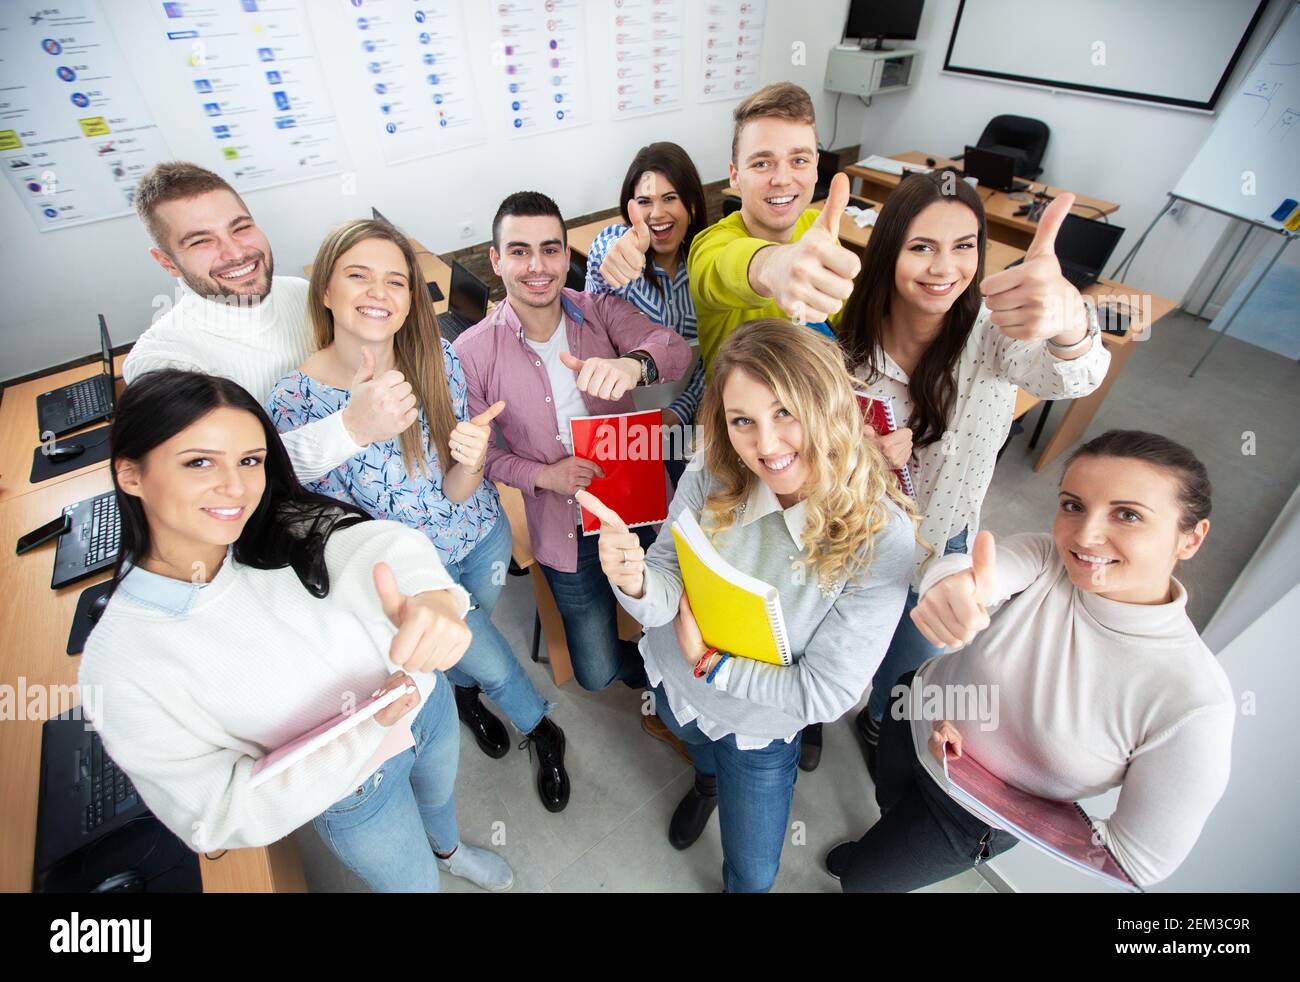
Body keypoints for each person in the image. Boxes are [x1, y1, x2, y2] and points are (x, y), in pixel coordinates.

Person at [78, 370, 514, 892]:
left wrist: (432, 596)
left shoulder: (276, 525)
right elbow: (215, 812)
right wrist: (365, 731)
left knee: (440, 801)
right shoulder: (121, 664)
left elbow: (377, 545)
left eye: (249, 461)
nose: (236, 487)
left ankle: (450, 849)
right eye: (199, 462)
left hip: (427, 706)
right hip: (353, 789)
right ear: (130, 475)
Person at [580, 319, 917, 892]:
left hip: (758, 724)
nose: (766, 445)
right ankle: (706, 783)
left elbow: (825, 693)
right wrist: (633, 577)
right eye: (743, 421)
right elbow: (665, 583)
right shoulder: (714, 465)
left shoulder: (883, 536)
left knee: (754, 872)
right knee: (693, 745)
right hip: (676, 681)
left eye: (785, 412)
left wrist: (712, 664)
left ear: (828, 402)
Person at [826, 430, 1234, 891]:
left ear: (1191, 538)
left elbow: (1136, 860)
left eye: (1128, 515)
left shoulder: (1193, 704)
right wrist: (950, 584)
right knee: (891, 807)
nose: (1085, 535)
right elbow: (973, 573)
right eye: (1073, 505)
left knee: (865, 881)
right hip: (911, 713)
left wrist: (980, 782)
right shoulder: (1048, 557)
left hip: (967, 815)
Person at [266, 218, 570, 813]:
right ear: (325, 291)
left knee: (468, 636)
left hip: (477, 536)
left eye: (395, 282)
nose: (378, 293)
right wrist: (352, 426)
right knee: (485, 656)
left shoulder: (437, 361)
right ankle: (540, 724)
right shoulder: (291, 403)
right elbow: (286, 507)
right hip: (408, 577)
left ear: (411, 298)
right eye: (358, 276)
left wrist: (474, 461)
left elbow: (457, 490)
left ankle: (483, 704)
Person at [838, 169, 1111, 775]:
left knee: (907, 670)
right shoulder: (849, 333)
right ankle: (814, 719)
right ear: (889, 251)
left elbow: (1073, 376)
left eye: (964, 247)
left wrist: (1069, 321)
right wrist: (853, 453)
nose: (945, 269)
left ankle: (879, 721)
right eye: (923, 247)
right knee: (833, 644)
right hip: (856, 534)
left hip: (943, 542)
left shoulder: (993, 331)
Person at [452, 191, 692, 694]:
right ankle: (649, 673)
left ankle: (677, 685)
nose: (537, 266)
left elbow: (673, 351)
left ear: (567, 255)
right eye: (519, 251)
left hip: (636, 497)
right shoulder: (471, 352)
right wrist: (543, 475)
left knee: (676, 614)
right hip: (562, 518)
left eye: (550, 249)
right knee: (596, 670)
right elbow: (482, 455)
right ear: (495, 260)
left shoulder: (599, 309)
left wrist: (634, 365)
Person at [123, 162, 413, 481]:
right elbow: (224, 477)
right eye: (201, 241)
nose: (235, 252)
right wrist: (353, 427)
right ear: (167, 262)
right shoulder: (161, 362)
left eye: (241, 227)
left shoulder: (300, 293)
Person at [688, 82, 861, 372]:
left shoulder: (817, 227)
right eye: (761, 163)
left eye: (799, 160)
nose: (782, 178)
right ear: (734, 175)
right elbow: (727, 266)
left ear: (816, 166)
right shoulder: (710, 246)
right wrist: (776, 266)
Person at [584, 141, 709, 488]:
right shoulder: (621, 255)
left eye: (670, 198)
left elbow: (710, 360)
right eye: (645, 202)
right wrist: (616, 249)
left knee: (684, 507)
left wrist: (676, 415)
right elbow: (602, 256)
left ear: (692, 202)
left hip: (685, 420)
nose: (657, 214)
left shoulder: (704, 267)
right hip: (619, 426)